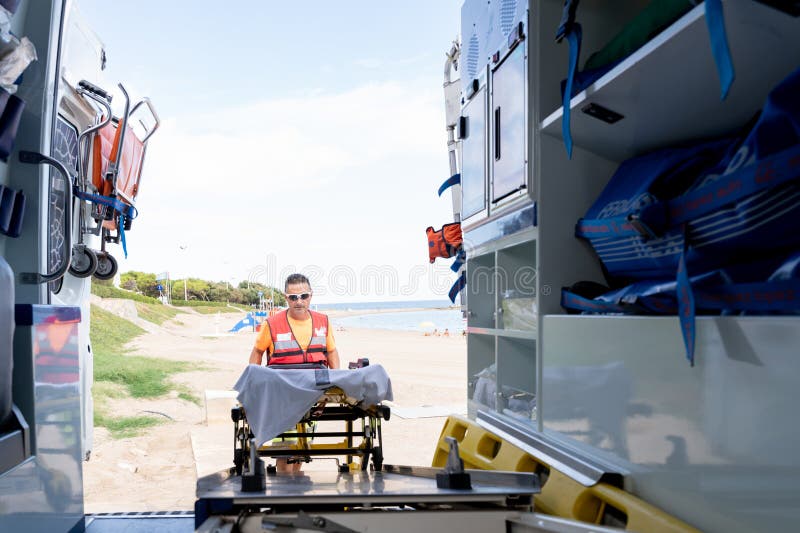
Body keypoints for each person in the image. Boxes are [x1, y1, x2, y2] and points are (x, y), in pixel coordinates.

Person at [248, 273, 340, 472]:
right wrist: (254, 384)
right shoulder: (271, 324)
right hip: (283, 396)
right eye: (293, 297)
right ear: (286, 298)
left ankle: (295, 492)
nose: (299, 302)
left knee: (301, 451)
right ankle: (284, 496)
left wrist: (336, 383)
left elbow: (331, 352)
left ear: (311, 296)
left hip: (313, 395)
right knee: (286, 451)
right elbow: (257, 352)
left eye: (303, 296)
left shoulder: (323, 322)